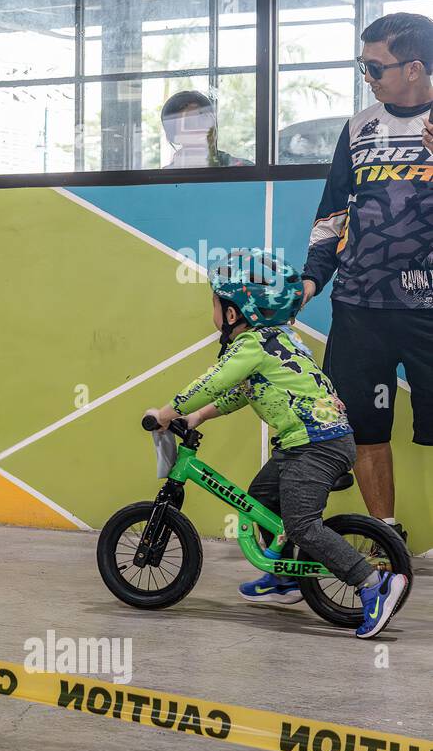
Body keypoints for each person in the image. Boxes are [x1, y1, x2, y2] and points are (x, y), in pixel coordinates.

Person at [145, 250, 408, 640]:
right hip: (311, 442)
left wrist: (168, 411)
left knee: (302, 524)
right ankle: (284, 579)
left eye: (216, 303)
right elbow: (243, 392)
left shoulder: (250, 346)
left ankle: (373, 585)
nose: (214, 311)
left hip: (316, 446)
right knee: (260, 499)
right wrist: (198, 417)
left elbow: (215, 381)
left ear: (233, 313)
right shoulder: (279, 341)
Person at [305, 12, 433, 546]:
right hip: (360, 308)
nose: (367, 76)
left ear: (415, 67)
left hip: (429, 312)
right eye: (363, 66)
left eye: (374, 66)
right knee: (363, 429)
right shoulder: (358, 126)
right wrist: (312, 278)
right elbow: (333, 212)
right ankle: (386, 540)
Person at [160, 91, 250, 169]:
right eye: (189, 123)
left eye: (203, 118)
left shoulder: (243, 169)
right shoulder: (163, 179)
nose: (199, 128)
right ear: (173, 136)